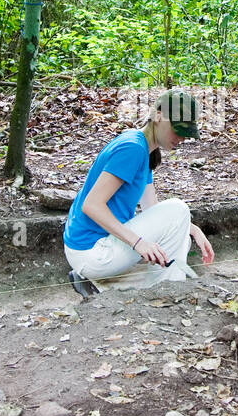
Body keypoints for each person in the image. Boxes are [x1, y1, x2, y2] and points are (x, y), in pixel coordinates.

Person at [64, 89, 215, 296]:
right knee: (178, 209)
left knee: (181, 235)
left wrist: (193, 229)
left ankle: (105, 287)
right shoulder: (132, 148)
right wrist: (138, 243)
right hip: (93, 251)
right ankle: (169, 291)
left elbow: (151, 209)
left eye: (186, 132)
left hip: (92, 251)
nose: (181, 138)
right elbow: (91, 205)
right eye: (177, 129)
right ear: (159, 115)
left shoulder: (144, 149)